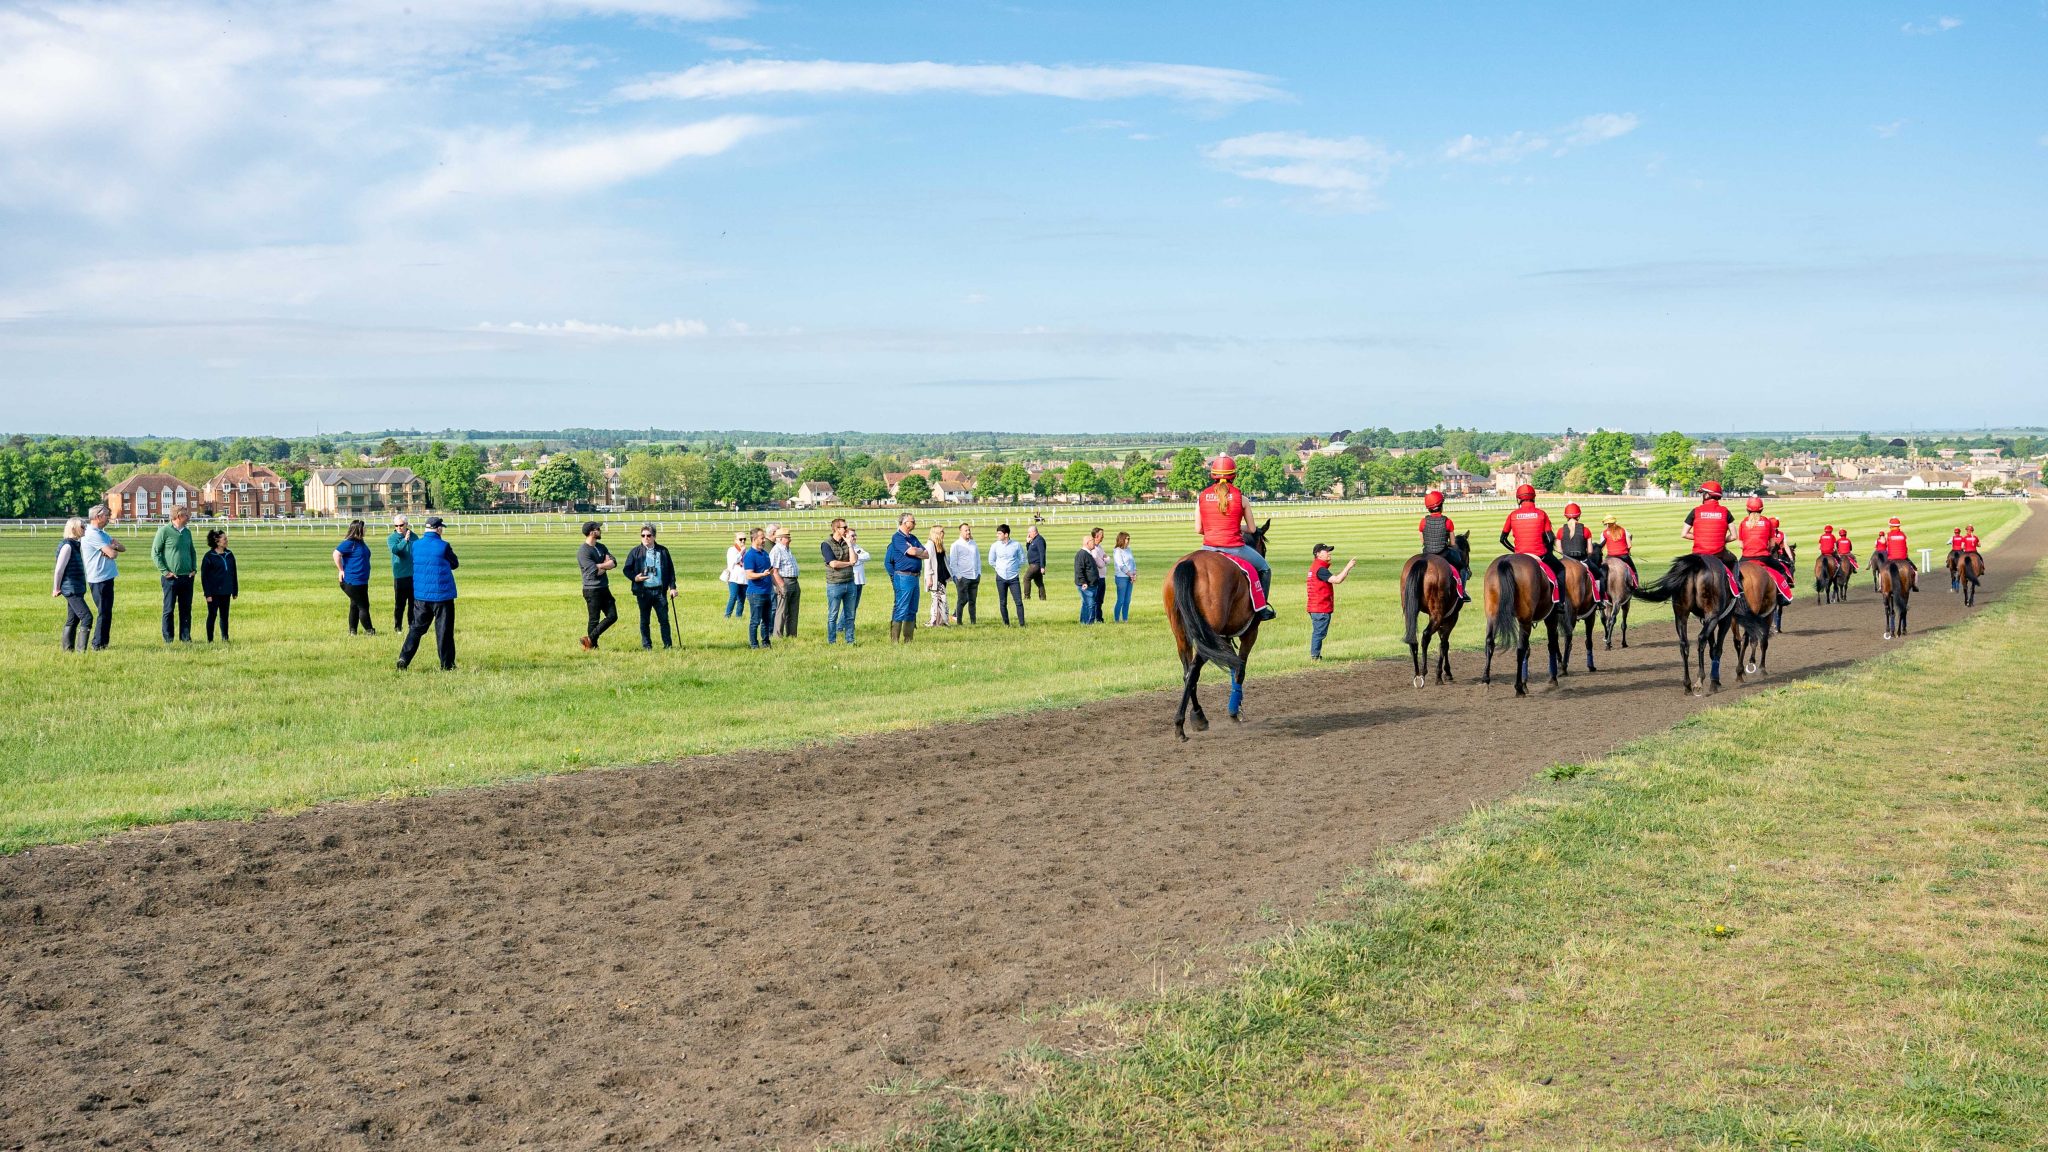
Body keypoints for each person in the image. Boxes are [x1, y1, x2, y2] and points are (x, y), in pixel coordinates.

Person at [1196, 455, 1275, 621]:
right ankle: (1261, 609)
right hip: (1234, 548)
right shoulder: (1242, 498)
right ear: (1234, 476)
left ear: (1213, 475)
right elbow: (1252, 529)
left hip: (1208, 548)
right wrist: (1234, 527)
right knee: (1265, 569)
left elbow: (1198, 529)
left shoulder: (1201, 497)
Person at [397, 516, 459, 670]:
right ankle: (447, 665)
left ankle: (404, 658)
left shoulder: (416, 545)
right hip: (442, 596)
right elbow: (455, 564)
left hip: (421, 595)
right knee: (444, 632)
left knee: (416, 629)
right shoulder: (444, 546)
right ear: (438, 529)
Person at [1498, 483, 1564, 597]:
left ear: (1519, 499)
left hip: (1519, 554)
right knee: (1560, 569)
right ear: (1533, 497)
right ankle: (1560, 601)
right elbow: (1550, 538)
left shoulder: (1512, 515)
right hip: (1539, 554)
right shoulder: (1542, 513)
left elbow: (1503, 539)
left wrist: (1515, 550)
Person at [622, 523, 678, 649]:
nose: (645, 538)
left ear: (654, 536)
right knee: (644, 621)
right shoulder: (635, 552)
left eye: (648, 535)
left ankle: (668, 646)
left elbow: (670, 570)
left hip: (659, 592)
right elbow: (626, 569)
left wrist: (673, 587)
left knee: (664, 620)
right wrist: (635, 578)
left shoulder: (663, 551)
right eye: (643, 536)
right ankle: (647, 646)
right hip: (643, 592)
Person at [152, 505, 198, 643]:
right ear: (178, 516)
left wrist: (194, 569)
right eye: (186, 515)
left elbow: (192, 551)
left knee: (186, 609)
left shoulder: (187, 532)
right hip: (171, 578)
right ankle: (168, 639)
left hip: (187, 577)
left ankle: (185, 637)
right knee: (169, 609)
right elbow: (155, 553)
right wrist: (165, 572)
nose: (188, 517)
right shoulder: (164, 531)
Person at [81, 504, 123, 650]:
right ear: (98, 517)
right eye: (106, 515)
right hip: (99, 578)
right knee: (103, 612)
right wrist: (113, 548)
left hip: (106, 577)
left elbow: (122, 548)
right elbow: (113, 554)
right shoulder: (92, 534)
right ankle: (97, 644)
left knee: (106, 611)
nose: (109, 518)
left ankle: (103, 642)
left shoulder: (102, 533)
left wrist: (113, 547)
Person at [1304, 542, 1356, 659]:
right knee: (1319, 633)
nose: (1329, 553)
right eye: (1326, 551)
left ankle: (1315, 656)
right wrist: (1348, 567)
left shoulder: (1315, 567)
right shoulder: (1320, 569)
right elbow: (1337, 580)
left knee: (1319, 632)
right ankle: (1315, 657)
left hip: (1315, 607)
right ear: (1318, 554)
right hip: (1320, 608)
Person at [1736, 497, 1791, 602]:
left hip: (1746, 557)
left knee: (1734, 574)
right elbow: (1772, 544)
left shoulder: (1743, 523)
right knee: (1781, 570)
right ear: (1761, 509)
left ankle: (1736, 595)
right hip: (1764, 557)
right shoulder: (1767, 522)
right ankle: (1781, 595)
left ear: (1747, 509)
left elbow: (1741, 545)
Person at [1418, 490, 1469, 602]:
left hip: (1427, 554)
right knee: (1462, 567)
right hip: (1443, 553)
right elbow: (1453, 543)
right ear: (1441, 505)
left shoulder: (1423, 522)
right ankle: (1462, 592)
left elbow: (1423, 541)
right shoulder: (1448, 522)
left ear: (1428, 508)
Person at [52, 517, 93, 652]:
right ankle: (81, 652)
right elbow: (59, 570)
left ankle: (68, 651)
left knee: (73, 619)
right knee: (86, 617)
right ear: (74, 529)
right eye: (82, 526)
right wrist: (56, 588)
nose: (85, 528)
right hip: (71, 588)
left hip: (76, 587)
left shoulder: (74, 545)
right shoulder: (67, 546)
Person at [885, 512, 927, 642]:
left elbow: (926, 554)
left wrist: (916, 550)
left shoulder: (913, 538)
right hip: (904, 577)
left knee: (913, 608)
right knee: (901, 607)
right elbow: (912, 551)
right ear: (904, 523)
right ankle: (895, 640)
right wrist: (916, 551)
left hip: (915, 577)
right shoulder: (897, 537)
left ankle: (908, 639)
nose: (915, 523)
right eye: (912, 521)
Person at [578, 520, 618, 650]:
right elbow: (595, 572)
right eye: (598, 529)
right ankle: (592, 646)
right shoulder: (583, 551)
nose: (600, 530)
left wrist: (600, 565)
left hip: (604, 587)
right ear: (592, 532)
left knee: (612, 616)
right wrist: (605, 565)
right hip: (591, 590)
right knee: (594, 619)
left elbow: (614, 562)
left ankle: (589, 639)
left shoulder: (601, 547)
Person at [820, 518, 861, 643]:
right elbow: (833, 564)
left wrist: (850, 545)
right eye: (844, 527)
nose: (847, 529)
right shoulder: (826, 544)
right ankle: (832, 641)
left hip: (850, 582)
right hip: (835, 584)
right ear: (836, 529)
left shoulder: (847, 542)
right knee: (833, 615)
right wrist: (848, 563)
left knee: (850, 615)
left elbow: (855, 560)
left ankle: (850, 640)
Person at [1680, 480, 1736, 571]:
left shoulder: (1695, 511)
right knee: (1734, 561)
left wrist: (1701, 537)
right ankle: (1734, 580)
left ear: (1707, 495)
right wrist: (1719, 539)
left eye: (1703, 493)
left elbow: (1684, 534)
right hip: (1718, 555)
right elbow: (1734, 536)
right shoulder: (1725, 511)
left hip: (1698, 555)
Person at [333, 518, 375, 635]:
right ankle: (369, 631)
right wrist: (341, 570)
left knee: (354, 605)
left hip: (362, 581)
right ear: (358, 529)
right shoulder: (349, 543)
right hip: (352, 581)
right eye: (364, 528)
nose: (365, 530)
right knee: (363, 606)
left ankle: (353, 631)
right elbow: (336, 554)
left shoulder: (360, 542)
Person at [1556, 502, 1602, 602]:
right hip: (1582, 560)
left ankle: (1556, 600)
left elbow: (1559, 550)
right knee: (1598, 574)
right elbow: (1590, 551)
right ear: (1578, 515)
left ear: (1566, 516)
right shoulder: (1586, 530)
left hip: (1565, 560)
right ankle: (1599, 600)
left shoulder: (1560, 531)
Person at [739, 527, 776, 649]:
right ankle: (754, 644)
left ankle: (766, 643)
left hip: (767, 592)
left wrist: (777, 586)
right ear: (754, 539)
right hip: (756, 593)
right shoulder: (750, 555)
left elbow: (770, 572)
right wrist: (762, 574)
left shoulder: (765, 554)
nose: (764, 540)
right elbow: (749, 575)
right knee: (755, 621)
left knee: (767, 620)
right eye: (762, 538)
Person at [200, 528, 238, 642]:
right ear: (217, 541)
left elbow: (234, 573)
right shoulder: (209, 556)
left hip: (226, 591)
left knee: (224, 616)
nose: (226, 540)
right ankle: (210, 640)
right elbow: (204, 577)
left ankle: (225, 638)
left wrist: (235, 590)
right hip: (213, 592)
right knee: (212, 615)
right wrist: (207, 594)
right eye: (224, 539)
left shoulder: (230, 554)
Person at [989, 523, 1026, 626]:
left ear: (1006, 534)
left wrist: (1015, 568)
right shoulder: (995, 546)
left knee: (1018, 601)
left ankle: (1022, 624)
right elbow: (991, 561)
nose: (997, 535)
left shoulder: (1016, 545)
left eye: (999, 533)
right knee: (1003, 602)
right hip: (1000, 577)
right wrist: (998, 568)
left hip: (1013, 578)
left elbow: (1022, 559)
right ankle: (1006, 624)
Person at [770, 527, 801, 638]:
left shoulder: (787, 550)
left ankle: (792, 635)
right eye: (787, 537)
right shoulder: (777, 550)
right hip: (784, 581)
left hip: (794, 581)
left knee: (793, 610)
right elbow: (774, 571)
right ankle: (778, 635)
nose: (789, 539)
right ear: (780, 539)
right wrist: (781, 586)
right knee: (782, 610)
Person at [388, 515, 417, 632]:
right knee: (400, 604)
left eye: (401, 525)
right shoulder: (392, 538)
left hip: (414, 575)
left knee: (413, 603)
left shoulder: (414, 536)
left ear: (406, 524)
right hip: (400, 575)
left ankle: (412, 625)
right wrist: (405, 540)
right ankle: (398, 627)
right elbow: (395, 550)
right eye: (396, 525)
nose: (398, 528)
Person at [949, 522, 981, 624]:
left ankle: (973, 622)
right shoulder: (956, 545)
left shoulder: (973, 543)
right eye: (966, 530)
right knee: (962, 600)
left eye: (969, 530)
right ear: (960, 532)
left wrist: (979, 573)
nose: (968, 532)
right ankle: (959, 621)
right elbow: (953, 563)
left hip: (974, 576)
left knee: (972, 601)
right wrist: (959, 576)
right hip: (963, 577)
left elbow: (978, 559)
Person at [924, 523, 952, 627]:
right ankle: (934, 621)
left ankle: (942, 620)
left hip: (942, 575)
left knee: (942, 599)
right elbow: (928, 562)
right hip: (935, 577)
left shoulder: (940, 544)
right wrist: (929, 578)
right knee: (936, 599)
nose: (944, 533)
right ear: (936, 533)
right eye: (941, 531)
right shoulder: (930, 545)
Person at [1600, 514, 1636, 586]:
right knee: (1634, 571)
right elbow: (1629, 545)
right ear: (1614, 522)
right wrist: (1627, 551)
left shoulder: (1603, 533)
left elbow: (1601, 548)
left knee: (1601, 572)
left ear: (1607, 524)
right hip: (1624, 556)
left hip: (1610, 556)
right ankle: (1635, 585)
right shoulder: (1624, 530)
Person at [1073, 534, 1101, 624]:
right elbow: (1079, 570)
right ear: (1087, 543)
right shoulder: (1082, 554)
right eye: (1092, 541)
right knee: (1090, 604)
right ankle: (1089, 623)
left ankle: (1084, 622)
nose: (1094, 543)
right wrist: (1083, 582)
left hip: (1092, 583)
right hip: (1087, 585)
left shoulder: (1088, 553)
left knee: (1086, 604)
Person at [1111, 531, 1137, 622]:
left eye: (1129, 539)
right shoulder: (1117, 551)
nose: (1128, 540)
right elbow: (1121, 565)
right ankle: (1117, 619)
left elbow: (1133, 562)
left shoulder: (1128, 549)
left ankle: (1125, 619)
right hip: (1121, 577)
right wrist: (1129, 574)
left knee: (1127, 600)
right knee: (1121, 600)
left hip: (1130, 577)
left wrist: (1134, 573)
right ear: (1122, 539)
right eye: (1127, 539)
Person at [1088, 528, 1111, 624]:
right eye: (1102, 535)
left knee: (1100, 600)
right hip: (1097, 578)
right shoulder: (1094, 549)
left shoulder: (1100, 547)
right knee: (1096, 599)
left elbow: (1108, 559)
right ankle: (1097, 618)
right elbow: (1100, 564)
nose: (1103, 537)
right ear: (1096, 536)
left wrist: (1105, 559)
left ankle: (1099, 617)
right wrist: (1105, 559)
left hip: (1102, 577)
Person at [723, 532, 747, 619]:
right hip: (734, 578)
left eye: (744, 539)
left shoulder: (746, 551)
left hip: (744, 578)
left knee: (742, 598)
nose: (743, 541)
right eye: (740, 539)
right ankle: (727, 615)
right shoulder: (732, 550)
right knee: (733, 596)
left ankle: (739, 616)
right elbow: (733, 561)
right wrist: (741, 552)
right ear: (736, 540)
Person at [1023, 524, 1048, 600]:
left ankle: (1027, 596)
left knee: (1026, 578)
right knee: (1039, 582)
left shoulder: (1039, 540)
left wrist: (1042, 567)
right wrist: (1028, 542)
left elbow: (1042, 554)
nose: (1028, 534)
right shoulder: (1034, 540)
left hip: (1036, 565)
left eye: (1029, 532)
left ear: (1034, 532)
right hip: (1034, 564)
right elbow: (1028, 550)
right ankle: (1043, 598)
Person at [1947, 526, 1966, 591]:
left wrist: (1950, 543)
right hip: (1960, 551)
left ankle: (1948, 563)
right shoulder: (1962, 538)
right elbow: (1963, 546)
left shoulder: (1952, 537)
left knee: (1949, 556)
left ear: (1954, 532)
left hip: (1954, 550)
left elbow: (1947, 543)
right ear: (1959, 532)